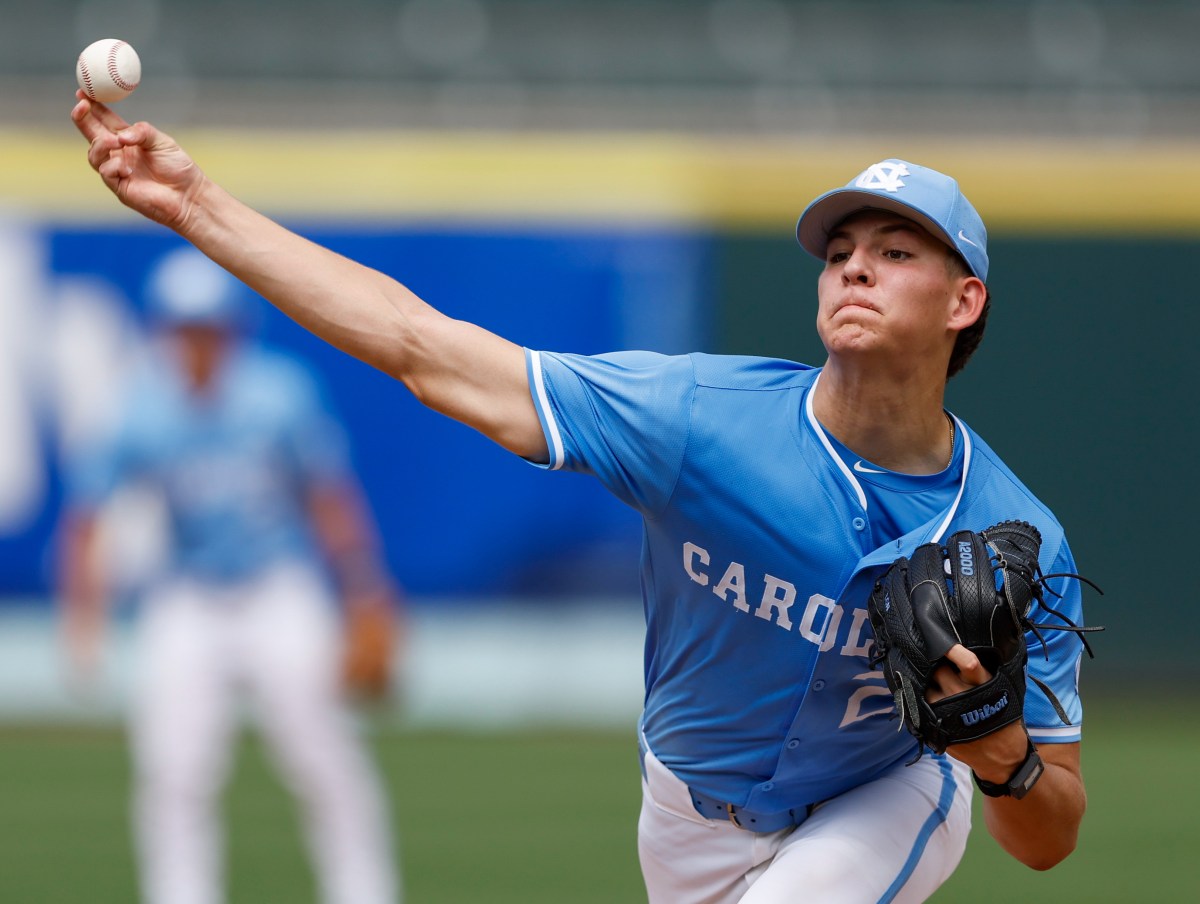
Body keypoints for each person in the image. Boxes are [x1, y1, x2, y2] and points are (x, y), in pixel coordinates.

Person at [71, 94, 1093, 903]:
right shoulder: (698, 419)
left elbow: (1049, 836)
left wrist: (998, 751)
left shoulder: (1016, 537)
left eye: (896, 251)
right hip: (684, 814)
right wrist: (198, 207)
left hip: (884, 791)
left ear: (965, 301)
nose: (855, 267)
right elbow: (422, 346)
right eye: (839, 253)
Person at [57, 245, 404, 904]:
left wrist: (366, 593)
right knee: (174, 772)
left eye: (209, 328)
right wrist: (84, 617)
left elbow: (329, 497)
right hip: (188, 594)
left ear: (234, 329)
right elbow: (86, 516)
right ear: (163, 330)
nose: (197, 345)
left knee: (325, 760)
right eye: (184, 329)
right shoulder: (141, 406)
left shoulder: (278, 394)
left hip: (278, 586)